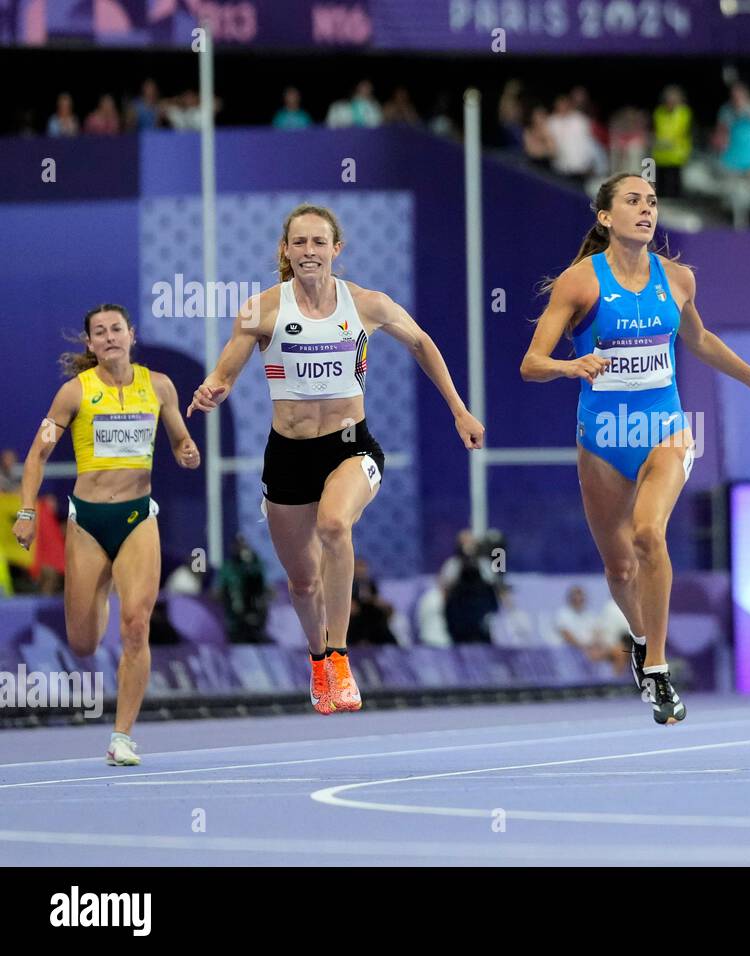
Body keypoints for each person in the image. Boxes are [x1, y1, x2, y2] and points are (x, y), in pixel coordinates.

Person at [522, 172, 750, 723]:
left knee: (650, 534)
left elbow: (698, 340)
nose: (646, 210)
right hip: (603, 437)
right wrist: (568, 365)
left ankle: (656, 666)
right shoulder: (580, 283)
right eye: (632, 201)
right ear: (605, 217)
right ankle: (637, 637)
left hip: (663, 429)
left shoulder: (676, 279)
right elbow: (531, 364)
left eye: (651, 202)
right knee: (620, 569)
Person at [188, 203, 483, 714]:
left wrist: (459, 410)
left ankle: (343, 658)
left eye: (318, 242)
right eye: (299, 243)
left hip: (351, 446)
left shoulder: (366, 304)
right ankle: (319, 659)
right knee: (302, 582)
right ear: (285, 250)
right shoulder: (262, 310)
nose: (309, 251)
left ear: (335, 250)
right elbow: (225, 373)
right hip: (287, 458)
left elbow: (422, 344)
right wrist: (213, 390)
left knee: (333, 526)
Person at [11, 305, 201, 764]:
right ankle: (101, 587)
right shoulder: (74, 393)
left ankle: (122, 737)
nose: (110, 336)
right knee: (83, 642)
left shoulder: (158, 386)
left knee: (136, 624)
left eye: (117, 329)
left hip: (138, 518)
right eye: (100, 332)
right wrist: (27, 511)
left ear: (131, 335)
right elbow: (37, 456)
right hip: (88, 523)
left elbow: (180, 438)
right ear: (91, 344)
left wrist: (186, 450)